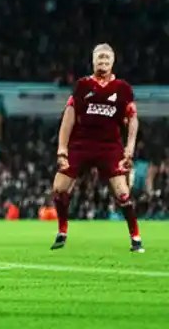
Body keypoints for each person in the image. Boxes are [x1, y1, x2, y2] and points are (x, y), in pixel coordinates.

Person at [50, 44, 142, 253]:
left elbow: (132, 118)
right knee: (59, 188)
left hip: (109, 146)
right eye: (99, 58)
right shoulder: (83, 86)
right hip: (81, 144)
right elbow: (69, 116)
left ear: (113, 61)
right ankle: (62, 231)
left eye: (106, 58)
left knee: (122, 193)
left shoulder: (122, 88)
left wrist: (129, 149)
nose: (103, 61)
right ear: (93, 61)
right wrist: (62, 149)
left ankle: (135, 237)